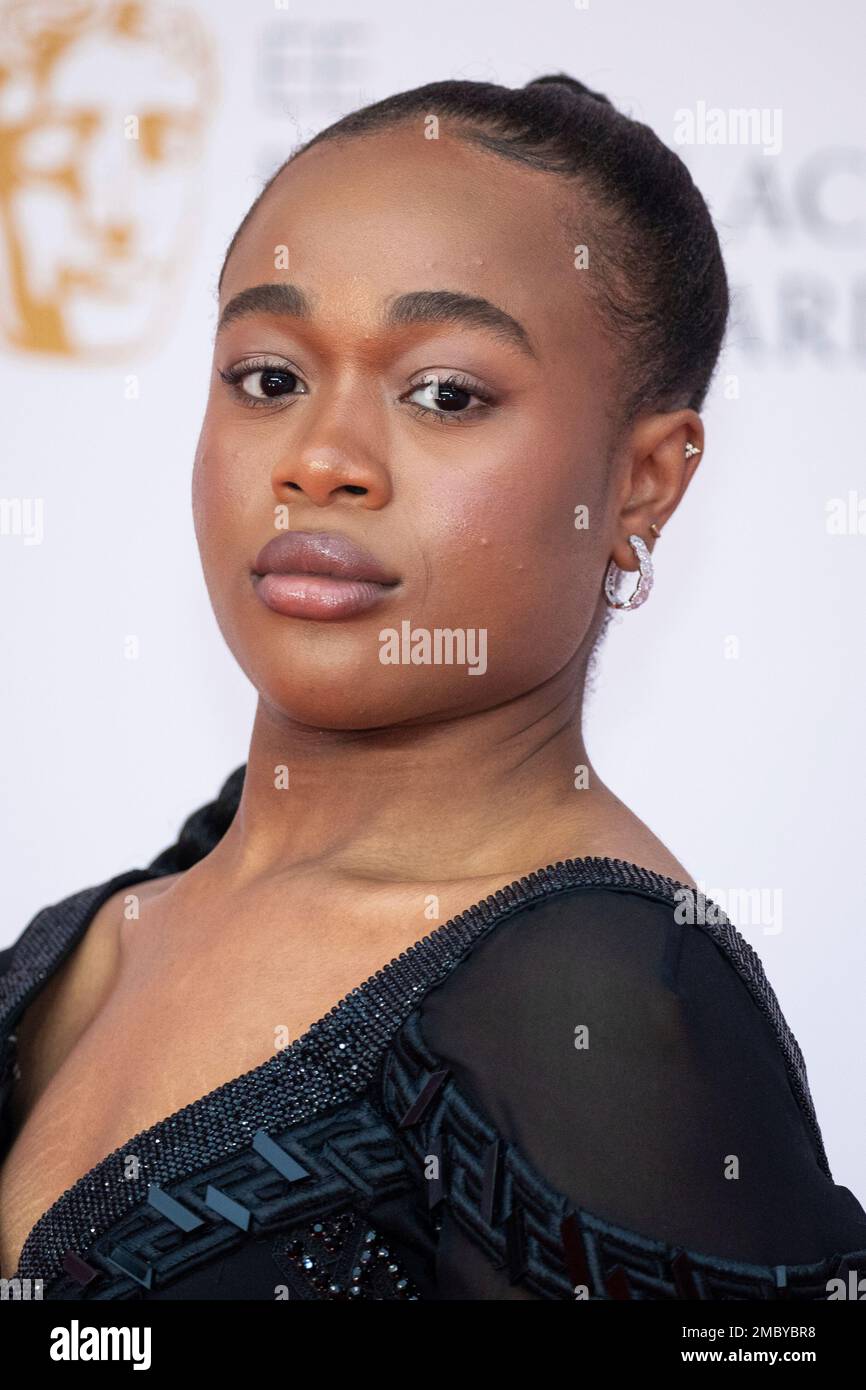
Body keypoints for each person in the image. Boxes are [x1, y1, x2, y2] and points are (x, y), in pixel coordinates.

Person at [1, 73, 864, 1300]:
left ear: (643, 485)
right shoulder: (93, 931)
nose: (321, 461)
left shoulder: (604, 1010)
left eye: (445, 394)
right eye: (269, 377)